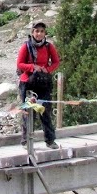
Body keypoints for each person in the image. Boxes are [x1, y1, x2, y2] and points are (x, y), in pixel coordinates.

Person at [16, 21, 60, 149]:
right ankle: (26, 141)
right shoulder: (26, 47)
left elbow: (56, 62)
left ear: (45, 33)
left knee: (45, 111)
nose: (39, 34)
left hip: (43, 82)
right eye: (37, 31)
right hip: (28, 82)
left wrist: (48, 69)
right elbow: (20, 64)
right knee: (28, 112)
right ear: (32, 32)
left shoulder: (48, 46)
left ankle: (50, 140)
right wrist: (32, 67)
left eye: (42, 31)